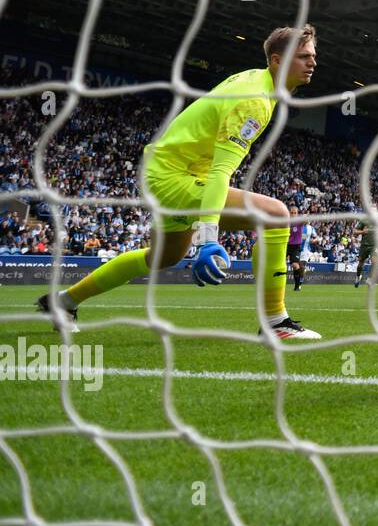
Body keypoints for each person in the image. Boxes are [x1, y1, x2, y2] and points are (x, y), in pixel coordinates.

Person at [36, 25, 322, 340]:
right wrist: (207, 237)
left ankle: (63, 301)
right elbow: (220, 173)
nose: (312, 63)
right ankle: (276, 322)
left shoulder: (259, 84)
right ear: (278, 61)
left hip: (166, 172)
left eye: (313, 56)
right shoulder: (254, 100)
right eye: (304, 56)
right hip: (174, 176)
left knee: (163, 257)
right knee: (275, 214)